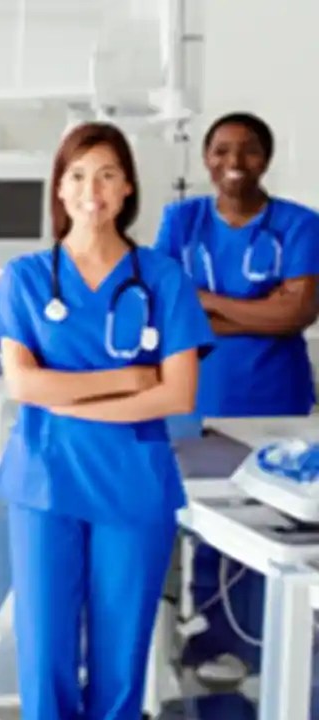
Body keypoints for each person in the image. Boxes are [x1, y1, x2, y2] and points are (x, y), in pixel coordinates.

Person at [0, 122, 214, 720]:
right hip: (46, 482)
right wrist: (126, 379)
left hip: (132, 482)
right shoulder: (28, 277)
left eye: (107, 174)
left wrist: (73, 400)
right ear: (59, 189)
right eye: (78, 175)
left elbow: (178, 392)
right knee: (44, 651)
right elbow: (22, 383)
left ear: (128, 187)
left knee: (121, 653)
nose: (93, 189)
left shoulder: (162, 278)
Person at [152, 112, 319, 682]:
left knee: (267, 520)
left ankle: (264, 644)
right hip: (197, 393)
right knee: (201, 519)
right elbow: (165, 306)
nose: (234, 162)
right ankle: (210, 637)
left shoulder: (297, 224)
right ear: (205, 157)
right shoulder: (183, 218)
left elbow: (297, 312)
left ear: (266, 160)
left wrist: (209, 304)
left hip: (274, 397)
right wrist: (258, 310)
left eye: (249, 151)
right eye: (222, 150)